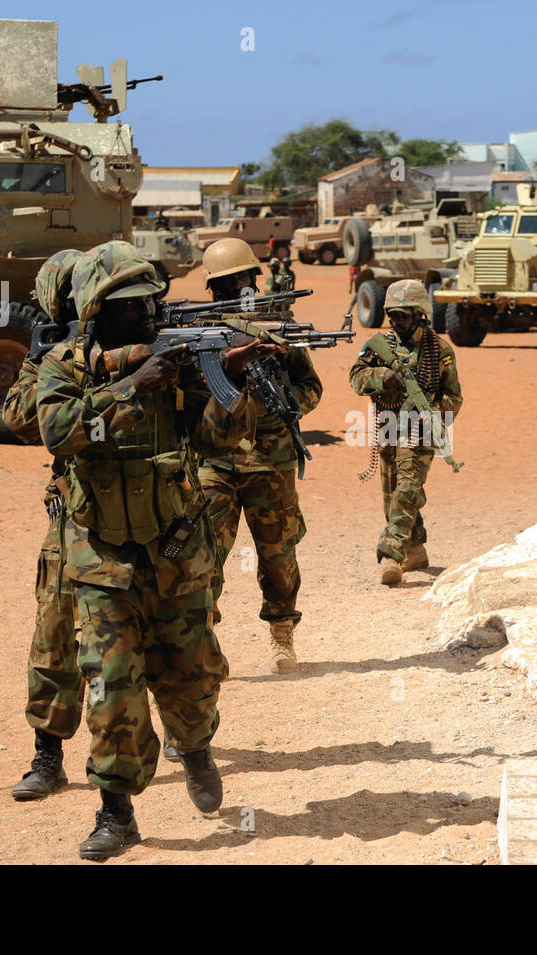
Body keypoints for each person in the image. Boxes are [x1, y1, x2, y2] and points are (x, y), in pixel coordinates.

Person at [36, 240, 279, 861]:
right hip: (100, 562)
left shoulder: (182, 363)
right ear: (97, 310)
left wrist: (238, 379)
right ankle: (116, 813)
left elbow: (218, 436)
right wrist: (132, 385)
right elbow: (59, 432)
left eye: (151, 302)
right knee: (111, 687)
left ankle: (194, 748)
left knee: (191, 682)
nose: (148, 313)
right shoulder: (65, 366)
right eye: (131, 306)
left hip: (175, 551)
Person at [169, 238, 322, 688]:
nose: (241, 289)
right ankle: (203, 644)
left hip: (271, 463)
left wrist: (282, 403)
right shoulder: (194, 333)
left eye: (246, 279)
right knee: (202, 558)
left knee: (278, 556)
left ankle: (282, 634)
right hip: (213, 463)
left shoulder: (278, 328)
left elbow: (311, 388)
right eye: (228, 283)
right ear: (213, 288)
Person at [5, 248, 85, 801]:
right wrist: (42, 360)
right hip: (74, 519)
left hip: (150, 514)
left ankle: (183, 737)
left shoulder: (146, 341)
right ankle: (48, 755)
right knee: (54, 637)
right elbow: (17, 419)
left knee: (161, 633)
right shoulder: (60, 355)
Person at [349, 279, 463, 586]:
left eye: (403, 316)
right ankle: (415, 550)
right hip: (388, 428)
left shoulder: (439, 349)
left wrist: (432, 413)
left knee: (408, 491)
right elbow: (355, 377)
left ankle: (392, 554)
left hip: (421, 434)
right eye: (393, 316)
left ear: (420, 314)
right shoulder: (381, 344)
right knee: (392, 497)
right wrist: (380, 376)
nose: (397, 322)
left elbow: (454, 397)